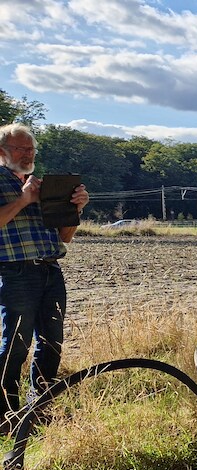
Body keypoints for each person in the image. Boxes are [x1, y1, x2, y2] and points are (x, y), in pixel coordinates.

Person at [0, 123, 88, 435]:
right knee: (16, 345)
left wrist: (75, 210)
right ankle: (6, 417)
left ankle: (38, 410)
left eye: (31, 149)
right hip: (16, 271)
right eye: (20, 149)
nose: (27, 155)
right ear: (2, 152)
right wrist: (23, 200)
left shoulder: (44, 185)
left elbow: (63, 238)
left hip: (51, 269)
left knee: (51, 344)